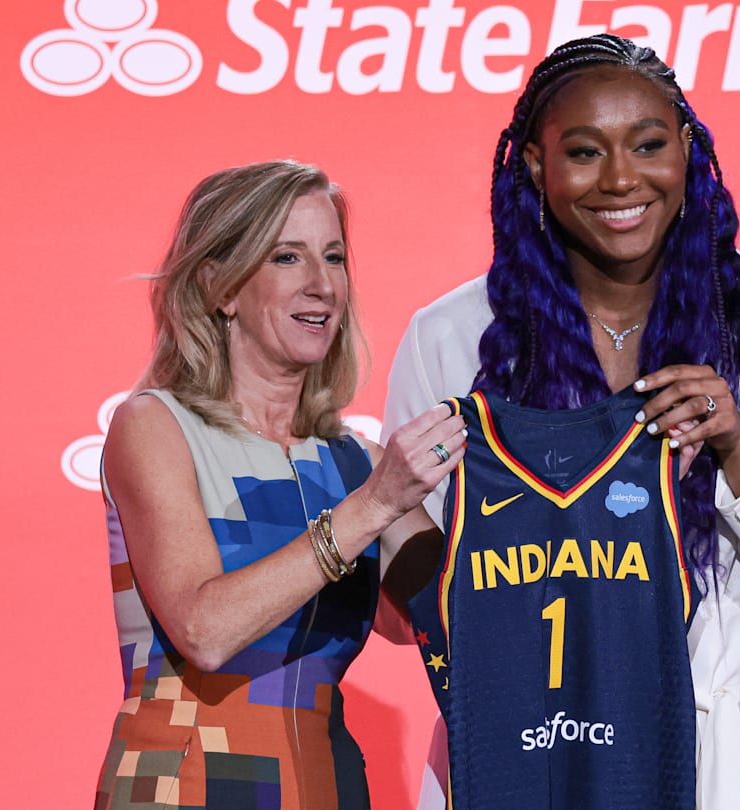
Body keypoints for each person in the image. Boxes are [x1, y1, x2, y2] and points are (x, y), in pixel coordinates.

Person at [383, 35, 740, 810]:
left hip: (713, 767)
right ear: (533, 166)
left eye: (649, 145)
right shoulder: (452, 336)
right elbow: (413, 581)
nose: (622, 179)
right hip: (519, 765)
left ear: (687, 151)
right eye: (584, 152)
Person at [94, 160, 466, 810]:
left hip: (327, 785)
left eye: (334, 257)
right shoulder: (155, 427)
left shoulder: (356, 461)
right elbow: (204, 630)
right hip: (185, 785)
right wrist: (372, 507)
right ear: (220, 287)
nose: (322, 285)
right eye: (288, 257)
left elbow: (437, 621)